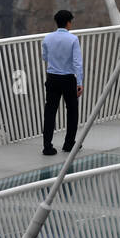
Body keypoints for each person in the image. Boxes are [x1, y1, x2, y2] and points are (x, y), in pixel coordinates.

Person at [40, 9, 84, 156]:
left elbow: (44, 57)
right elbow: (77, 63)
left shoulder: (47, 38)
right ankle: (69, 143)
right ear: (68, 23)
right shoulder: (73, 39)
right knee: (72, 110)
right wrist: (80, 82)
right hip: (68, 78)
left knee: (50, 111)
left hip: (52, 77)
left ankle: (47, 146)